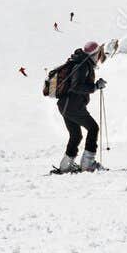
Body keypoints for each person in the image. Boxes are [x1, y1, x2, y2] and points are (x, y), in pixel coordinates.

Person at [52, 42, 105, 173]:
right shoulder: (83, 66)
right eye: (98, 54)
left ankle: (65, 166)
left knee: (76, 135)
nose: (99, 57)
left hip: (65, 105)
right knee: (93, 128)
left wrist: (94, 86)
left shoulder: (79, 62)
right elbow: (76, 86)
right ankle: (88, 164)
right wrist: (95, 87)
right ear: (94, 54)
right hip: (73, 105)